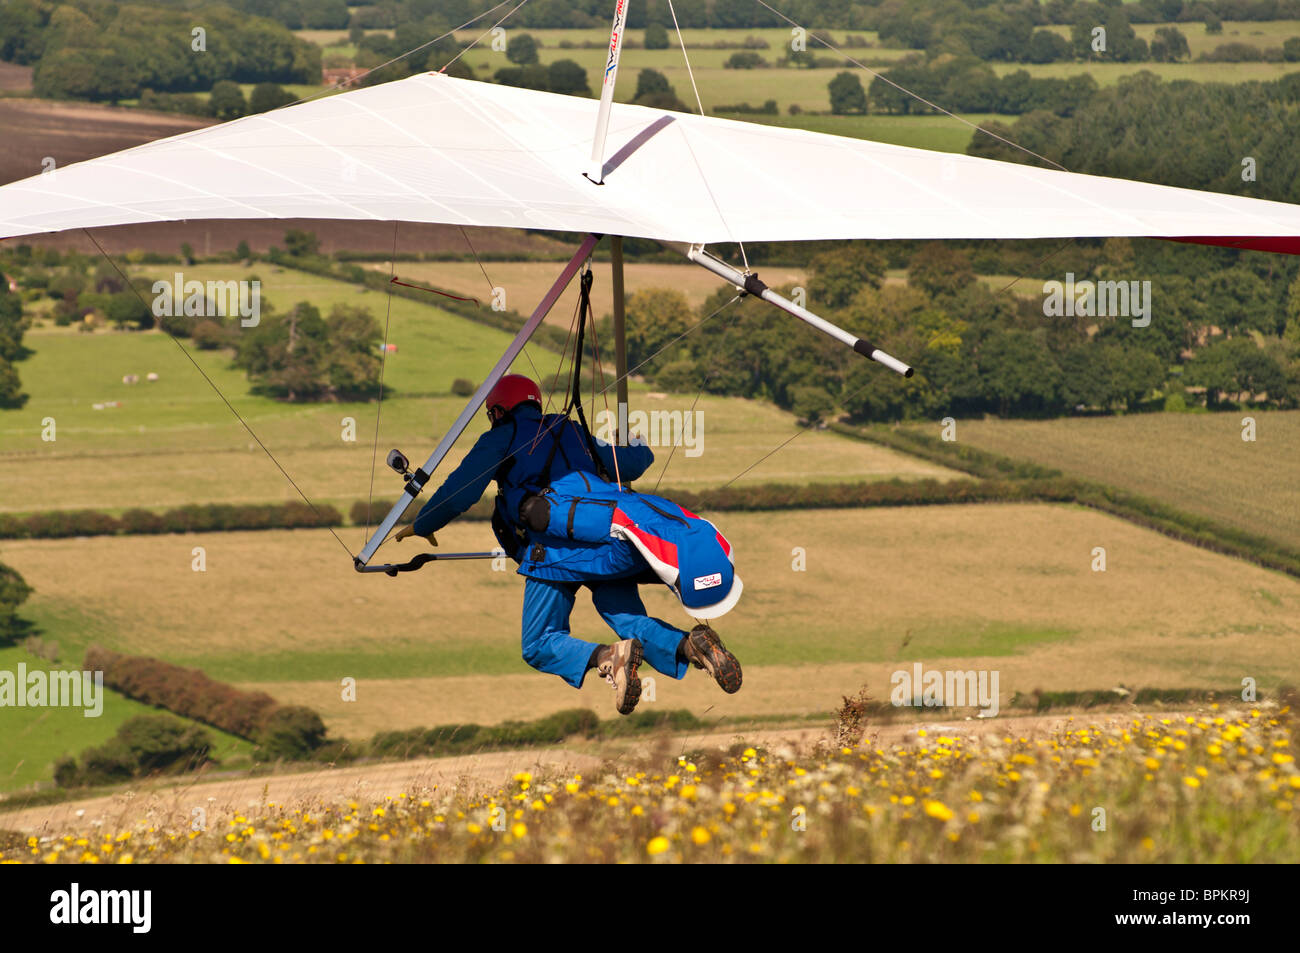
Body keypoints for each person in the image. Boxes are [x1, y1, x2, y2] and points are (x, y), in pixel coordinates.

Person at [394, 374, 742, 715]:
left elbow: (460, 492)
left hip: (554, 553)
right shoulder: (571, 430)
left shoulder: (502, 436)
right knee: (628, 620)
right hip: (610, 545)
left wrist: (424, 524)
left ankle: (610, 658)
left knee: (539, 643)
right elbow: (633, 464)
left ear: (499, 411)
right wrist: (633, 443)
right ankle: (691, 645)